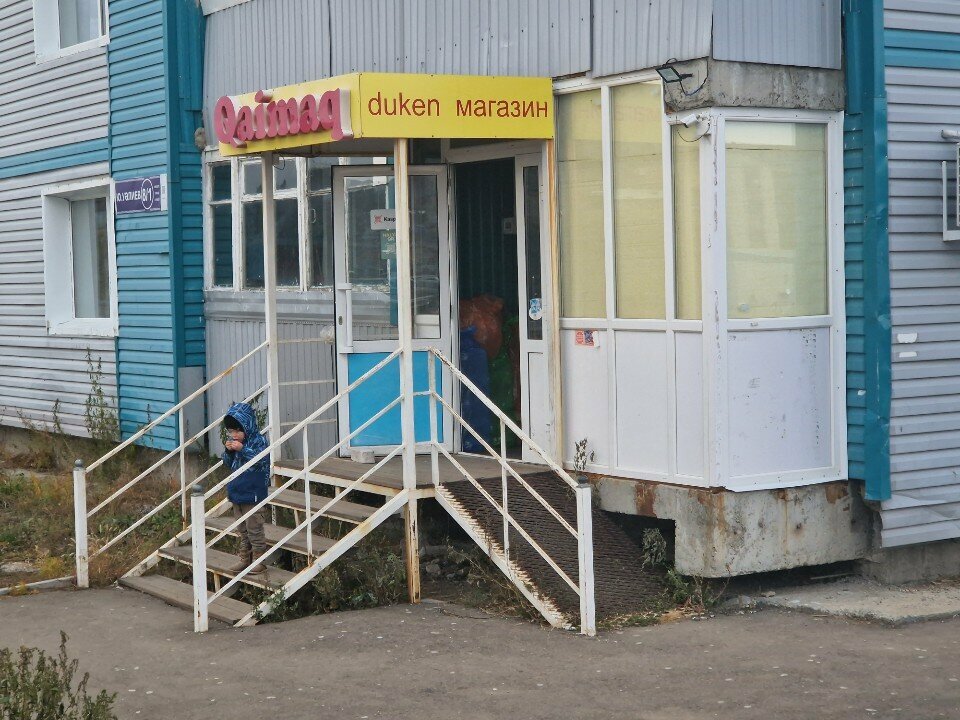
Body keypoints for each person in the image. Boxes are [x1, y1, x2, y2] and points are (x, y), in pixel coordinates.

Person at [221, 402, 270, 574]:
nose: (234, 435)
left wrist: (243, 449)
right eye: (231, 431)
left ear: (247, 426)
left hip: (253, 491)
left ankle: (260, 559)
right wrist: (228, 452)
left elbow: (261, 460)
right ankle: (245, 558)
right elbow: (227, 463)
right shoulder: (234, 443)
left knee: (254, 526)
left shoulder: (259, 441)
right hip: (237, 491)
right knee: (242, 527)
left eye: (237, 431)